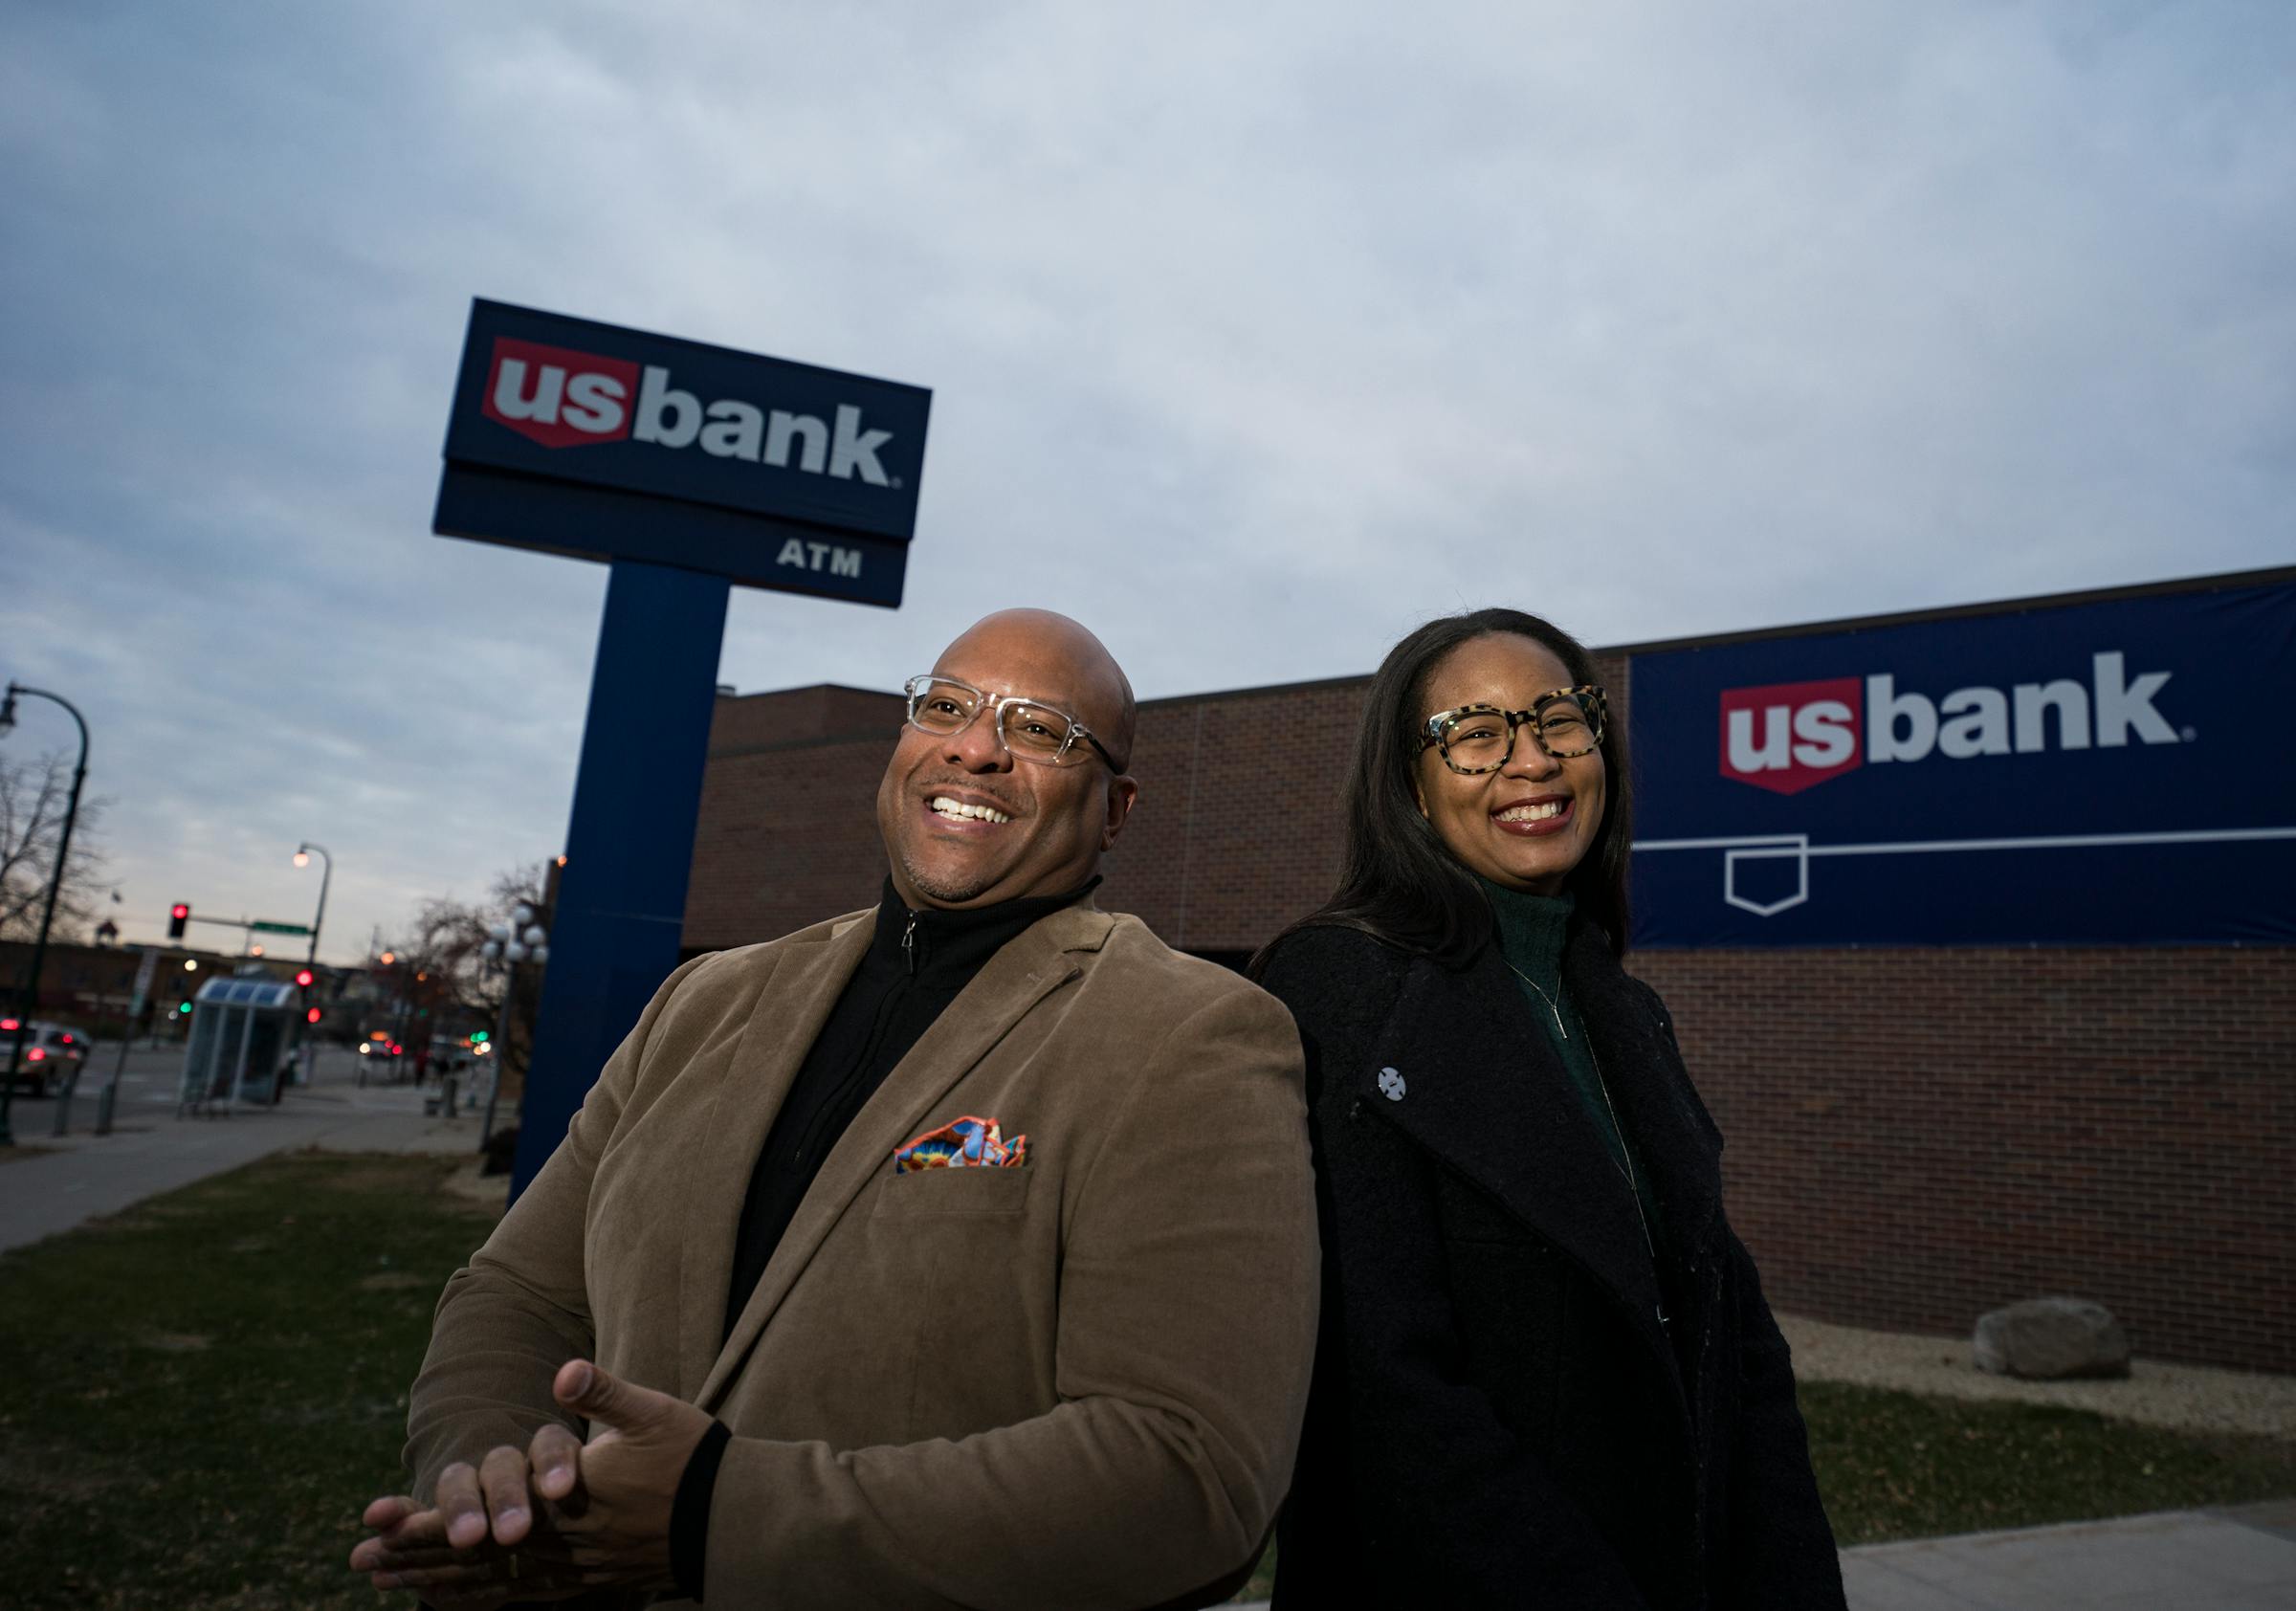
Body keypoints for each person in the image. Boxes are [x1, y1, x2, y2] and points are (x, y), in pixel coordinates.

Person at [350, 609, 1319, 1610]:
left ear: (1115, 808)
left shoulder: (1191, 1035)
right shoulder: (707, 1001)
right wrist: (493, 1477)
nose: (975, 747)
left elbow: (1190, 1473)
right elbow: (516, 1293)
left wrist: (713, 1517)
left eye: (1039, 730)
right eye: (944, 705)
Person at [1253, 607, 1844, 1609]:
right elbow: (1387, 1396)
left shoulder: (1624, 1010)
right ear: (1410, 785)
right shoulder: (1333, 990)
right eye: (1475, 735)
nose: (1531, 761)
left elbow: (1737, 1347)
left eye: (1558, 721)